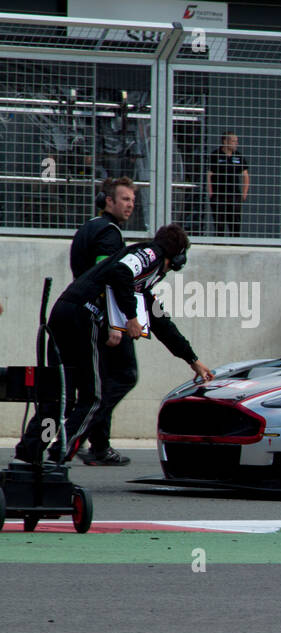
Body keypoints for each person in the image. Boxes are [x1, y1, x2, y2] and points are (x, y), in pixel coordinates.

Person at [13, 224, 214, 465]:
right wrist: (130, 317)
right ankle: (59, 456)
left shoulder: (143, 287)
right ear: (178, 257)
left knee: (59, 394)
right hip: (82, 317)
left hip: (64, 311)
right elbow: (121, 272)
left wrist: (192, 360)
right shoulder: (152, 254)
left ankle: (28, 454)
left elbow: (162, 324)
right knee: (93, 399)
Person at [70, 177, 136, 464]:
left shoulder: (88, 228)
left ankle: (99, 445)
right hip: (101, 317)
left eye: (133, 200)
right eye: (124, 199)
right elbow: (106, 277)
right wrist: (112, 322)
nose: (131, 204)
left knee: (101, 380)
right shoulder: (110, 234)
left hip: (81, 313)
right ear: (108, 201)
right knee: (124, 375)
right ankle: (84, 431)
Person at [207, 131, 250, 237]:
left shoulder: (238, 156)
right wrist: (211, 193)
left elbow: (245, 175)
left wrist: (244, 193)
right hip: (219, 194)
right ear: (225, 141)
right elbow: (209, 175)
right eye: (233, 141)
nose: (236, 143)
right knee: (219, 224)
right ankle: (218, 246)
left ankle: (235, 245)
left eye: (236, 141)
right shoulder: (215, 155)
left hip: (234, 195)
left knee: (235, 223)